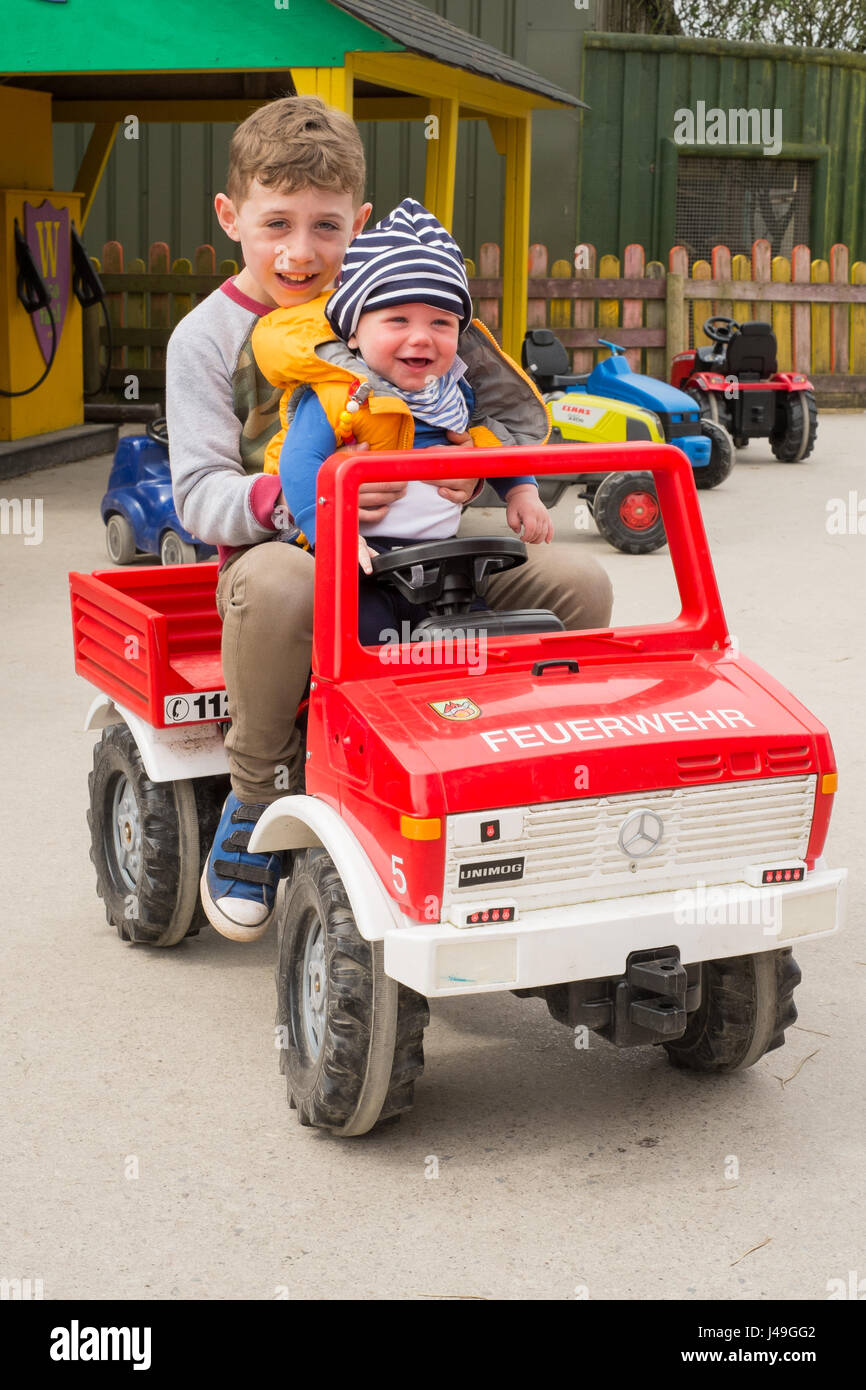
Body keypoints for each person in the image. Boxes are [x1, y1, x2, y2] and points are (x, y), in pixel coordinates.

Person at [167, 95, 613, 945]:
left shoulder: (405, 310)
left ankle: (525, 772)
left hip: (427, 554)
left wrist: (473, 483)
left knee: (580, 584)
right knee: (279, 585)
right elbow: (196, 496)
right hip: (289, 554)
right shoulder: (207, 338)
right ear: (231, 218)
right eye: (276, 224)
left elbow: (482, 427)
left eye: (327, 227)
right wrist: (300, 499)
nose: (301, 252)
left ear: (359, 225)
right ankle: (255, 791)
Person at [252, 197, 553, 644]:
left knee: (479, 641)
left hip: (448, 562)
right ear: (353, 333)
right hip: (364, 561)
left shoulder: (456, 391)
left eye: (441, 322)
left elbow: (490, 442)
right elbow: (300, 463)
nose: (421, 337)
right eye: (397, 319)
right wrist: (328, 532)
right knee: (367, 635)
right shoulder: (338, 394)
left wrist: (521, 489)